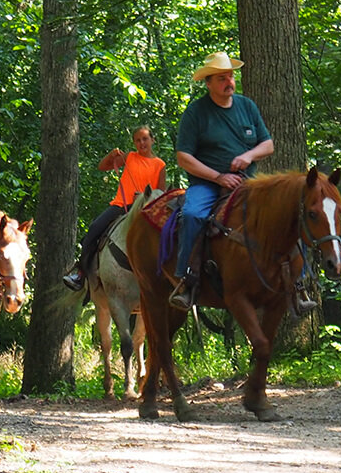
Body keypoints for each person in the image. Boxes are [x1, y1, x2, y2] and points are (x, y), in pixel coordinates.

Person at [170, 52, 275, 309]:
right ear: (208, 83)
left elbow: (268, 145)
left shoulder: (247, 106)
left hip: (249, 182)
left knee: (288, 209)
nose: (229, 81)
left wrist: (248, 156)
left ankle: (298, 281)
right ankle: (186, 278)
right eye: (221, 78)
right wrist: (218, 176)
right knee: (193, 214)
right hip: (207, 184)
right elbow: (183, 157)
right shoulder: (196, 112)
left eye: (231, 76)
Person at [61, 125, 168, 291]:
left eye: (145, 139)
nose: (142, 143)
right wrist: (110, 156)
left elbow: (161, 194)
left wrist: (144, 197)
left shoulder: (159, 165)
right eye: (138, 140)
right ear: (134, 143)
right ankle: (81, 274)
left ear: (152, 140)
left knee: (167, 235)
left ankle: (168, 277)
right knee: (94, 229)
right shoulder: (130, 157)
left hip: (145, 210)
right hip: (121, 205)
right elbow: (103, 167)